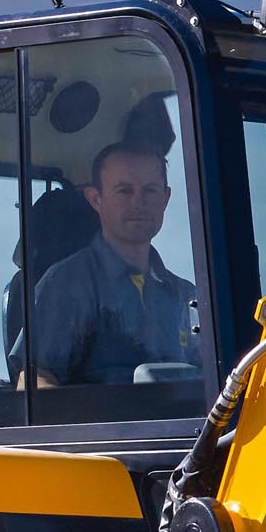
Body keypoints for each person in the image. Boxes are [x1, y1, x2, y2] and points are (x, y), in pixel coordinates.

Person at [23, 101, 204, 391]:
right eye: (124, 191)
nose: (138, 202)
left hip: (187, 435)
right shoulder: (67, 286)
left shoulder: (188, 297)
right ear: (96, 199)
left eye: (150, 191)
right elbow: (35, 379)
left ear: (166, 198)